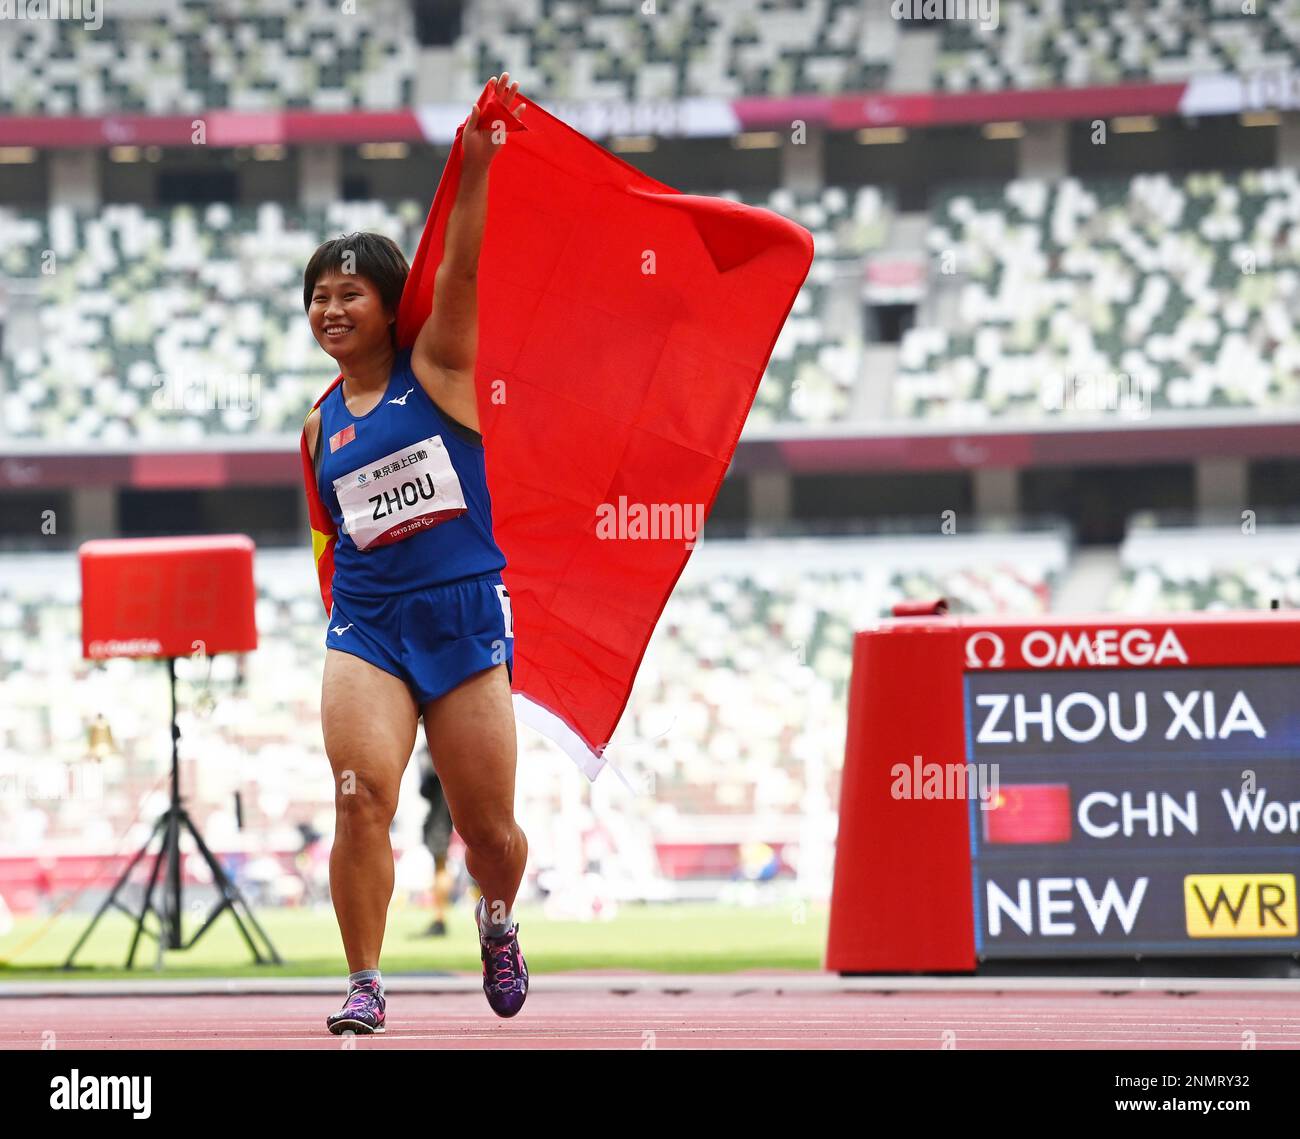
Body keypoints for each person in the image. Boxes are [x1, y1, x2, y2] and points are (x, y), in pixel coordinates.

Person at [303, 74, 530, 1035]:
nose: (329, 309)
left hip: (463, 615)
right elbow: (330, 541)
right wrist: (343, 625)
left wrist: (474, 161)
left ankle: (496, 916)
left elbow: (465, 271)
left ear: (391, 305)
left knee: (490, 832)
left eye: (348, 293)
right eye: (316, 298)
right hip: (369, 626)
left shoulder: (437, 370)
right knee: (360, 798)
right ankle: (364, 978)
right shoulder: (317, 428)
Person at [415, 741, 456, 936]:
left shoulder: (431, 747)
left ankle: (439, 919)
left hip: (441, 806)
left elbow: (426, 787)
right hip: (457, 800)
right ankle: (493, 923)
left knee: (440, 863)